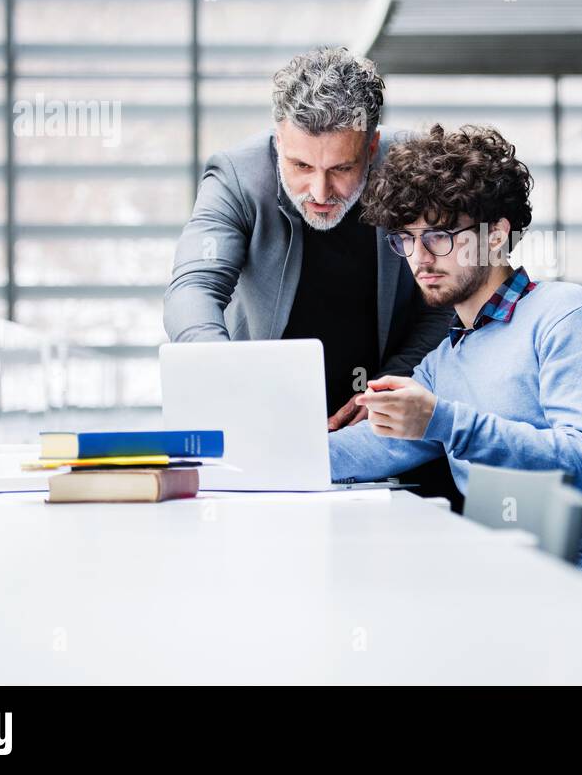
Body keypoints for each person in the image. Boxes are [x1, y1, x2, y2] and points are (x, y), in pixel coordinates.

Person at [328, 124, 582, 596]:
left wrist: (444, 421)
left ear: (495, 236)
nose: (419, 257)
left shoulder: (569, 316)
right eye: (406, 237)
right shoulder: (443, 362)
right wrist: (263, 450)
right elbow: (367, 450)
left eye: (441, 235)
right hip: (513, 577)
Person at [163, 46, 455, 500]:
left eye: (342, 168)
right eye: (301, 166)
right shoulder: (238, 176)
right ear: (279, 140)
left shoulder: (410, 169)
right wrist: (226, 375)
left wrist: (392, 386)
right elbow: (193, 288)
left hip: (386, 435)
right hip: (264, 430)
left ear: (371, 147)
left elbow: (446, 300)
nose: (320, 191)